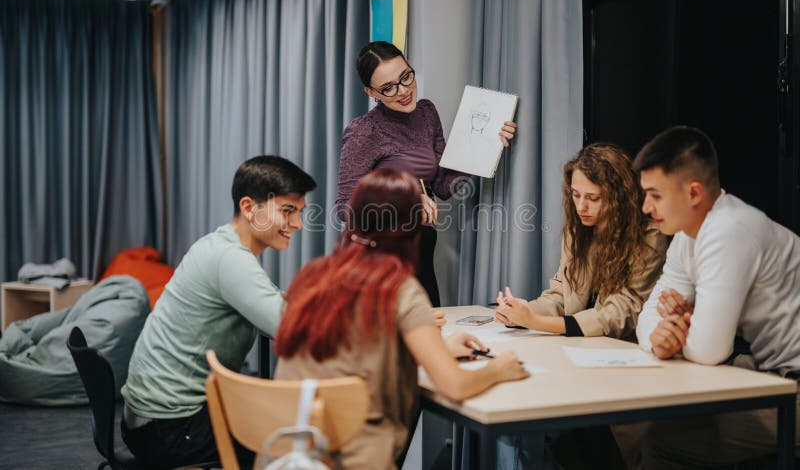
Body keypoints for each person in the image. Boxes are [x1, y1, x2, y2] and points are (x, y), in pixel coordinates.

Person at [276, 168, 528, 469]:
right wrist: (499, 369)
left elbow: (357, 352)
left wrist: (439, 350)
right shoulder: (398, 288)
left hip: (289, 447)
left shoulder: (314, 274)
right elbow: (455, 386)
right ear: (413, 228)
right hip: (351, 456)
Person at [120, 156, 317, 469]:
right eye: (288, 211)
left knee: (284, 421)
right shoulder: (230, 259)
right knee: (298, 438)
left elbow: (272, 301)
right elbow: (290, 328)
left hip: (150, 418)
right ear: (250, 207)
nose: (298, 224)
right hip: (168, 428)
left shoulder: (221, 245)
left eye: (301, 213)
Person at [632, 126, 800, 467]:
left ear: (693, 192)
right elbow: (649, 312)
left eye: (655, 195)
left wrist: (681, 332)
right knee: (634, 420)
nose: (646, 207)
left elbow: (710, 349)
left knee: (653, 436)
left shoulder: (729, 229)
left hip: (790, 386)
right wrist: (659, 338)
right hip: (765, 373)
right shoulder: (687, 235)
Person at [335, 41, 517, 307]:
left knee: (434, 332)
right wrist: (405, 201)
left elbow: (443, 184)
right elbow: (345, 207)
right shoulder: (364, 131)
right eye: (388, 88)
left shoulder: (426, 113)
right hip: (381, 260)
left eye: (406, 76)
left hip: (422, 248)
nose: (403, 91)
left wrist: (487, 143)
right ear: (371, 92)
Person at [494, 143, 668, 339]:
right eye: (576, 195)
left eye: (593, 198)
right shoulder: (577, 230)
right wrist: (520, 312)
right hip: (580, 344)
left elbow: (621, 314)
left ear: (618, 198)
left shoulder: (648, 235)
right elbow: (561, 295)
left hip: (622, 349)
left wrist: (536, 321)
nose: (581, 207)